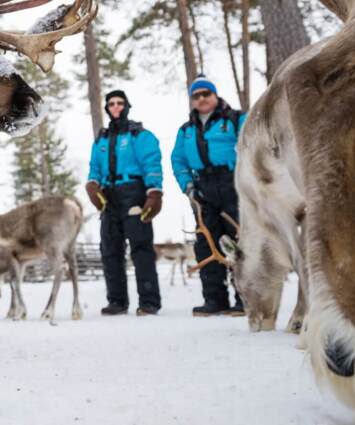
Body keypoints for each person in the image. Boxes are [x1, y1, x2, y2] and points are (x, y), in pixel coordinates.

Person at [171, 75, 247, 317]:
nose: (202, 99)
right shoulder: (186, 131)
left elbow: (253, 148)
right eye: (197, 95)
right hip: (203, 190)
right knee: (207, 242)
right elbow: (178, 160)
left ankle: (245, 296)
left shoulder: (236, 120)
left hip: (233, 185)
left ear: (215, 95)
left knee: (238, 241)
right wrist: (189, 187)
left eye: (206, 94)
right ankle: (214, 298)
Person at [85, 90, 164, 316]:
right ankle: (117, 301)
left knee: (140, 248)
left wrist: (154, 192)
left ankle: (149, 301)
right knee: (110, 249)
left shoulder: (140, 135)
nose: (116, 106)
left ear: (127, 106)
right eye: (111, 103)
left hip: (134, 192)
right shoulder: (101, 139)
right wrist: (92, 184)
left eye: (120, 103)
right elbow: (95, 167)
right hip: (109, 195)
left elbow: (151, 162)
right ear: (107, 108)